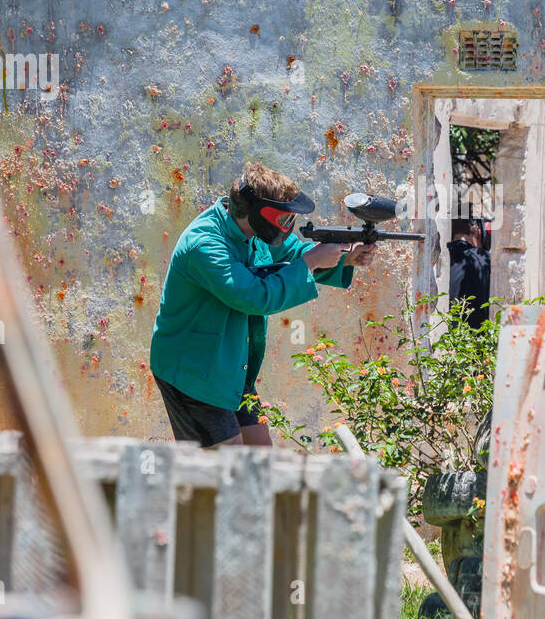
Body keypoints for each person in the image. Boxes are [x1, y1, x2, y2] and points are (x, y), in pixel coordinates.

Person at [149, 162, 376, 447]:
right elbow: (254, 296)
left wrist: (346, 256)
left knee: (259, 453)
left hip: (228, 363)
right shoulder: (204, 244)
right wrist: (314, 261)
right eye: (283, 220)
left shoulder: (251, 230)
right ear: (259, 214)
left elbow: (294, 251)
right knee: (226, 466)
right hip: (194, 368)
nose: (288, 227)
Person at [448, 217, 491, 330]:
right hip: (478, 343)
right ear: (478, 232)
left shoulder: (438, 259)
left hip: (443, 340)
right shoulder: (488, 260)